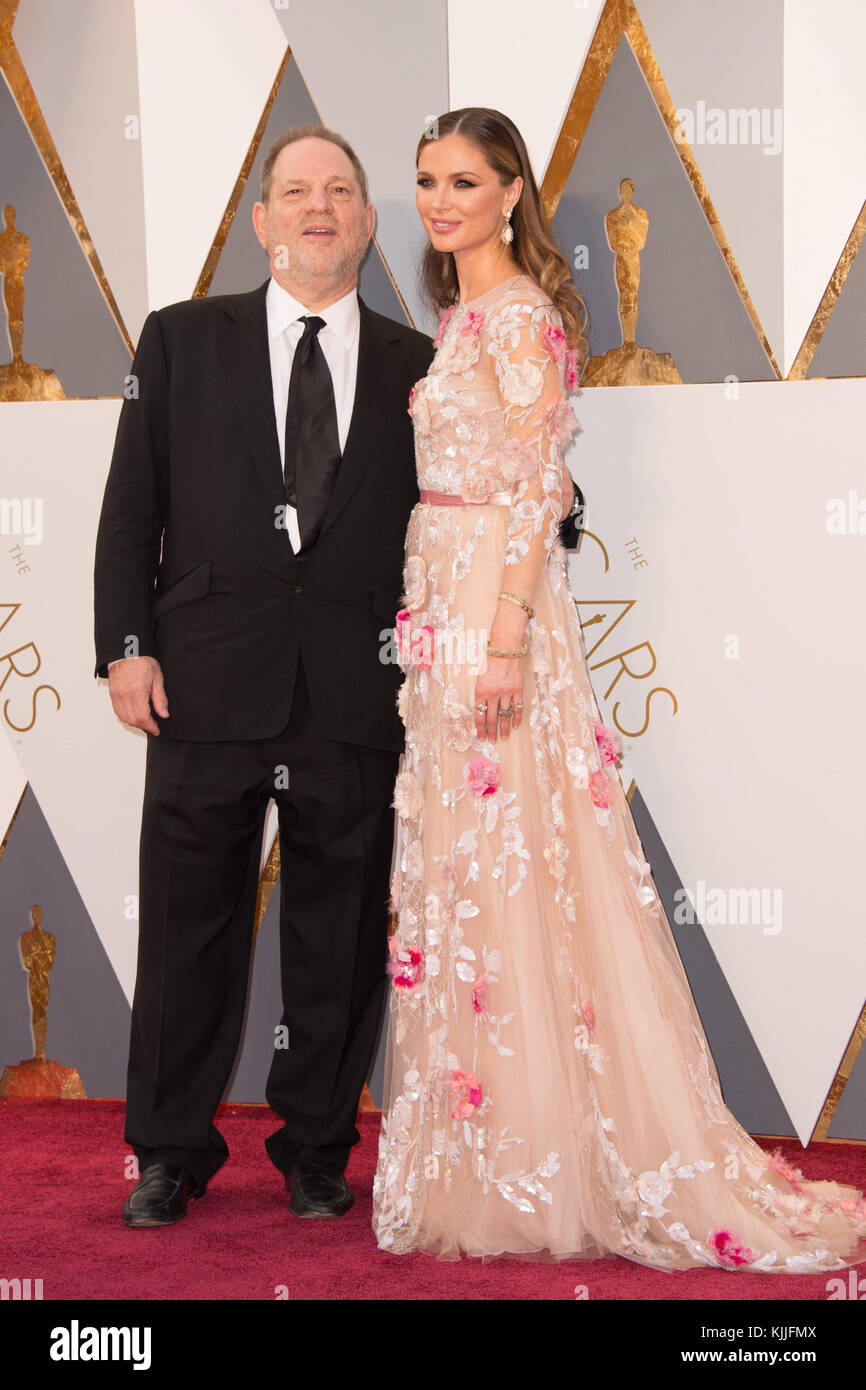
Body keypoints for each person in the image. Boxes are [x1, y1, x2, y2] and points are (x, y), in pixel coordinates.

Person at [372, 107, 866, 1273]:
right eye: (426, 182)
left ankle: (552, 1158)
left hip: (494, 620)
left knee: (517, 866)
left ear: (508, 196)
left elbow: (535, 490)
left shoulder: (523, 320)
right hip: (441, 614)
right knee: (464, 876)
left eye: (462, 182)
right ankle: (491, 1150)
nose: (439, 202)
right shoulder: (457, 319)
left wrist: (497, 642)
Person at [94, 123, 578, 1228]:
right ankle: (168, 1150)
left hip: (360, 688)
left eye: (342, 191)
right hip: (203, 682)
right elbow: (131, 510)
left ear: (367, 225)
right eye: (294, 191)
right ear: (259, 220)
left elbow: (498, 499)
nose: (319, 207)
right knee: (186, 924)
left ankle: (315, 1146)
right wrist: (126, 645)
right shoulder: (177, 341)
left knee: (342, 930)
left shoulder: (429, 360)